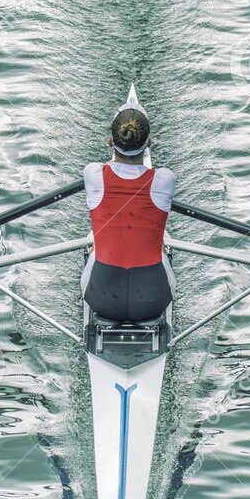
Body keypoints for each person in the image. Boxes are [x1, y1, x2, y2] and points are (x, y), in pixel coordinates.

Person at [82, 86, 175, 323]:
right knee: (162, 239)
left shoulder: (92, 173)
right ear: (149, 143)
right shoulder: (165, 178)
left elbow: (111, 168)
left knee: (94, 238)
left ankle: (95, 252)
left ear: (110, 141)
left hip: (102, 299)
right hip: (152, 301)